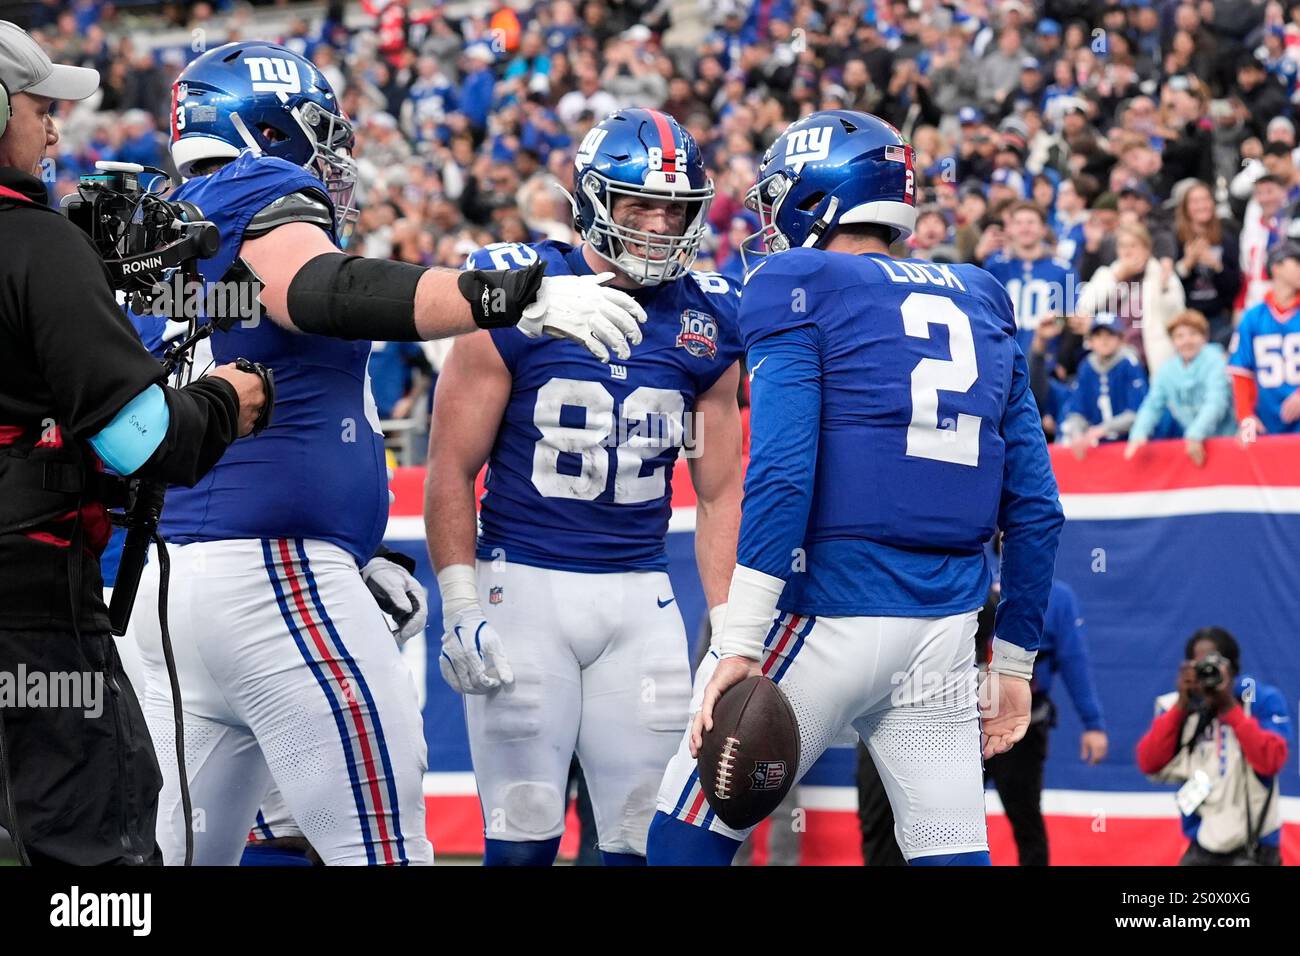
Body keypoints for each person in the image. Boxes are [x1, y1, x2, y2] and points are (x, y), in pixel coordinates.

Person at [129, 41, 646, 867]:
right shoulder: (264, 191)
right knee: (378, 849)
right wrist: (506, 295)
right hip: (272, 577)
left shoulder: (155, 222)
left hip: (164, 589)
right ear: (267, 128)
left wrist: (357, 551)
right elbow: (318, 290)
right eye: (321, 132)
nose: (335, 155)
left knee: (169, 869)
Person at [647, 110, 1065, 866]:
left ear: (815, 197)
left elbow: (779, 472)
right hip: (943, 626)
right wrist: (1013, 661)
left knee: (685, 836)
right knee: (949, 852)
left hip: (824, 611)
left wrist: (737, 644)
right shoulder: (981, 294)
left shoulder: (797, 279)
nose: (769, 227)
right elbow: (1037, 510)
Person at [425, 108, 743, 866]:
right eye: (640, 205)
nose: (661, 224)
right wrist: (461, 601)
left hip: (640, 594)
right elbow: (450, 468)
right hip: (524, 586)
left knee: (637, 838)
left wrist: (730, 629)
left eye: (676, 208)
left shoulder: (710, 318)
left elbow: (722, 489)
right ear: (595, 200)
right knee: (522, 835)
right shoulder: (519, 291)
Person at [0, 20, 266, 865]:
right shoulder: (38, 245)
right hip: (30, 611)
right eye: (41, 107)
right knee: (99, 853)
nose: (55, 127)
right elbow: (142, 441)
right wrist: (226, 399)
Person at [1135, 627, 1290, 866]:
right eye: (1199, 666)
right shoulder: (1179, 706)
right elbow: (1149, 762)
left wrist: (1229, 707)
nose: (1207, 672)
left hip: (1255, 847)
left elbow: (1271, 761)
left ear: (1233, 668)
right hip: (1201, 847)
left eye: (1215, 664)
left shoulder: (1261, 700)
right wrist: (1181, 707)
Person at [1126, 309, 1235, 467]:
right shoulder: (1167, 370)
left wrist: (1195, 434)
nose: (1187, 341)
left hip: (1226, 439)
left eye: (1193, 334)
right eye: (1180, 336)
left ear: (1204, 337)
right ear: (1172, 341)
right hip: (1194, 442)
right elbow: (1152, 405)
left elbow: (1216, 402)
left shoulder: (1216, 361)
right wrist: (1138, 434)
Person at [1074, 222, 1184, 376]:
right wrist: (1117, 277)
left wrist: (1164, 286)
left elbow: (1176, 315)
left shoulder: (1162, 275)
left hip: (1152, 360)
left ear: (1147, 249)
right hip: (1112, 360)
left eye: (1133, 246)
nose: (1128, 251)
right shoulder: (1107, 273)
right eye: (1123, 246)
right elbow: (1084, 306)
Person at [981, 200, 1080, 355]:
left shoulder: (1063, 270)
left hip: (1044, 360)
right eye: (1019, 223)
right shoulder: (995, 266)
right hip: (1002, 358)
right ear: (1009, 229)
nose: (1025, 228)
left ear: (1043, 229)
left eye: (1031, 222)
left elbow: (1070, 320)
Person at [1229, 241, 1300, 439]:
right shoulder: (1253, 317)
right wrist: (1246, 416)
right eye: (1297, 263)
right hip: (1267, 424)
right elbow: (1241, 371)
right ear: (1276, 268)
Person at [1061, 313, 1147, 459]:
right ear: (1091, 341)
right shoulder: (1086, 366)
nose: (1104, 340)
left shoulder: (1129, 363)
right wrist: (1076, 433)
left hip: (1129, 444)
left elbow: (1138, 412)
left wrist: (1104, 429)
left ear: (1120, 339)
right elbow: (1077, 409)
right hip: (1098, 447)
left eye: (1110, 335)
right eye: (1098, 335)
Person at [1169, 180, 1242, 348]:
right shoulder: (1175, 239)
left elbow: (1234, 286)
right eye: (1195, 201)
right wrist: (1188, 263)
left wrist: (1216, 266)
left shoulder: (1227, 238)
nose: (1201, 205)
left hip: (1218, 317)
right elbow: (1167, 284)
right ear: (1185, 208)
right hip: (1185, 316)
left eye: (1205, 199)